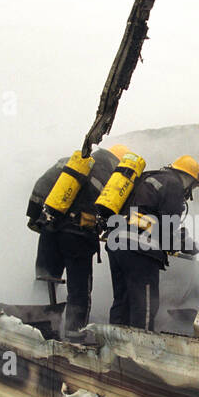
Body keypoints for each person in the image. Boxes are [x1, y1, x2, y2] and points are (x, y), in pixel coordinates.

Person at [27, 145, 125, 341]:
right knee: (79, 289)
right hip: (78, 236)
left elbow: (42, 184)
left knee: (45, 281)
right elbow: (112, 213)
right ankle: (74, 336)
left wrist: (35, 216)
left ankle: (35, 330)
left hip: (50, 228)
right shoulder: (112, 178)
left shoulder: (73, 162)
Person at [107, 155, 199, 331]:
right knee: (145, 305)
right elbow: (169, 227)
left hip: (116, 243)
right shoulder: (174, 184)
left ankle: (115, 346)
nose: (190, 191)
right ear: (188, 178)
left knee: (123, 300)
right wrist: (188, 245)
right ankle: (138, 351)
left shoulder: (148, 178)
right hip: (140, 248)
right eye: (193, 185)